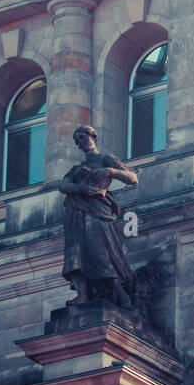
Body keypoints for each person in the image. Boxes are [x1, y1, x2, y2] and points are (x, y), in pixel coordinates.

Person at [58, 126, 137, 308]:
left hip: (97, 211)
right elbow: (63, 186)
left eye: (82, 137)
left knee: (98, 252)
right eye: (77, 140)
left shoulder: (105, 159)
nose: (80, 142)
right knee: (74, 253)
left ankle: (119, 293)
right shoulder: (76, 168)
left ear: (93, 136)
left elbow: (132, 178)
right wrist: (81, 188)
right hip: (75, 213)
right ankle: (82, 295)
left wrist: (111, 171)